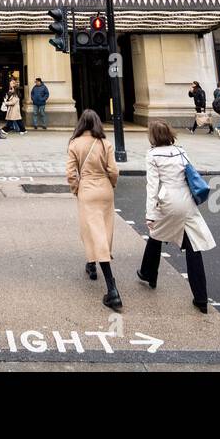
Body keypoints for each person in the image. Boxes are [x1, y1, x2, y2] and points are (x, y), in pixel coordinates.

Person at [136, 122, 215, 314]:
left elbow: (152, 187)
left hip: (168, 201)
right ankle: (201, 298)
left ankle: (149, 273)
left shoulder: (152, 155)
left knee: (156, 232)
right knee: (193, 247)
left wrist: (150, 214)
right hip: (187, 201)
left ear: (153, 136)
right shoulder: (180, 151)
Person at [66, 110, 121, 310]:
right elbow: (114, 170)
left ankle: (112, 289)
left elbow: (71, 173)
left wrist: (76, 189)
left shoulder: (75, 144)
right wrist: (111, 184)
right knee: (104, 231)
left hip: (87, 189)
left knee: (91, 232)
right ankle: (91, 263)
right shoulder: (105, 143)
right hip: (105, 189)